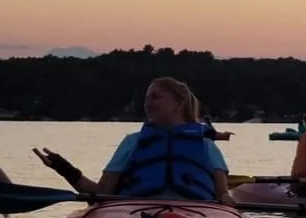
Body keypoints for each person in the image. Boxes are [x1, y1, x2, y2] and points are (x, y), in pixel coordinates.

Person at [38, 76, 230, 203]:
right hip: (135, 214)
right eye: (146, 99)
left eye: (155, 97)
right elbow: (103, 193)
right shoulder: (132, 142)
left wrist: (227, 200)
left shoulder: (206, 146)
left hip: (197, 215)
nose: (147, 104)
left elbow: (222, 194)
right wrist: (65, 169)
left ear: (178, 102)